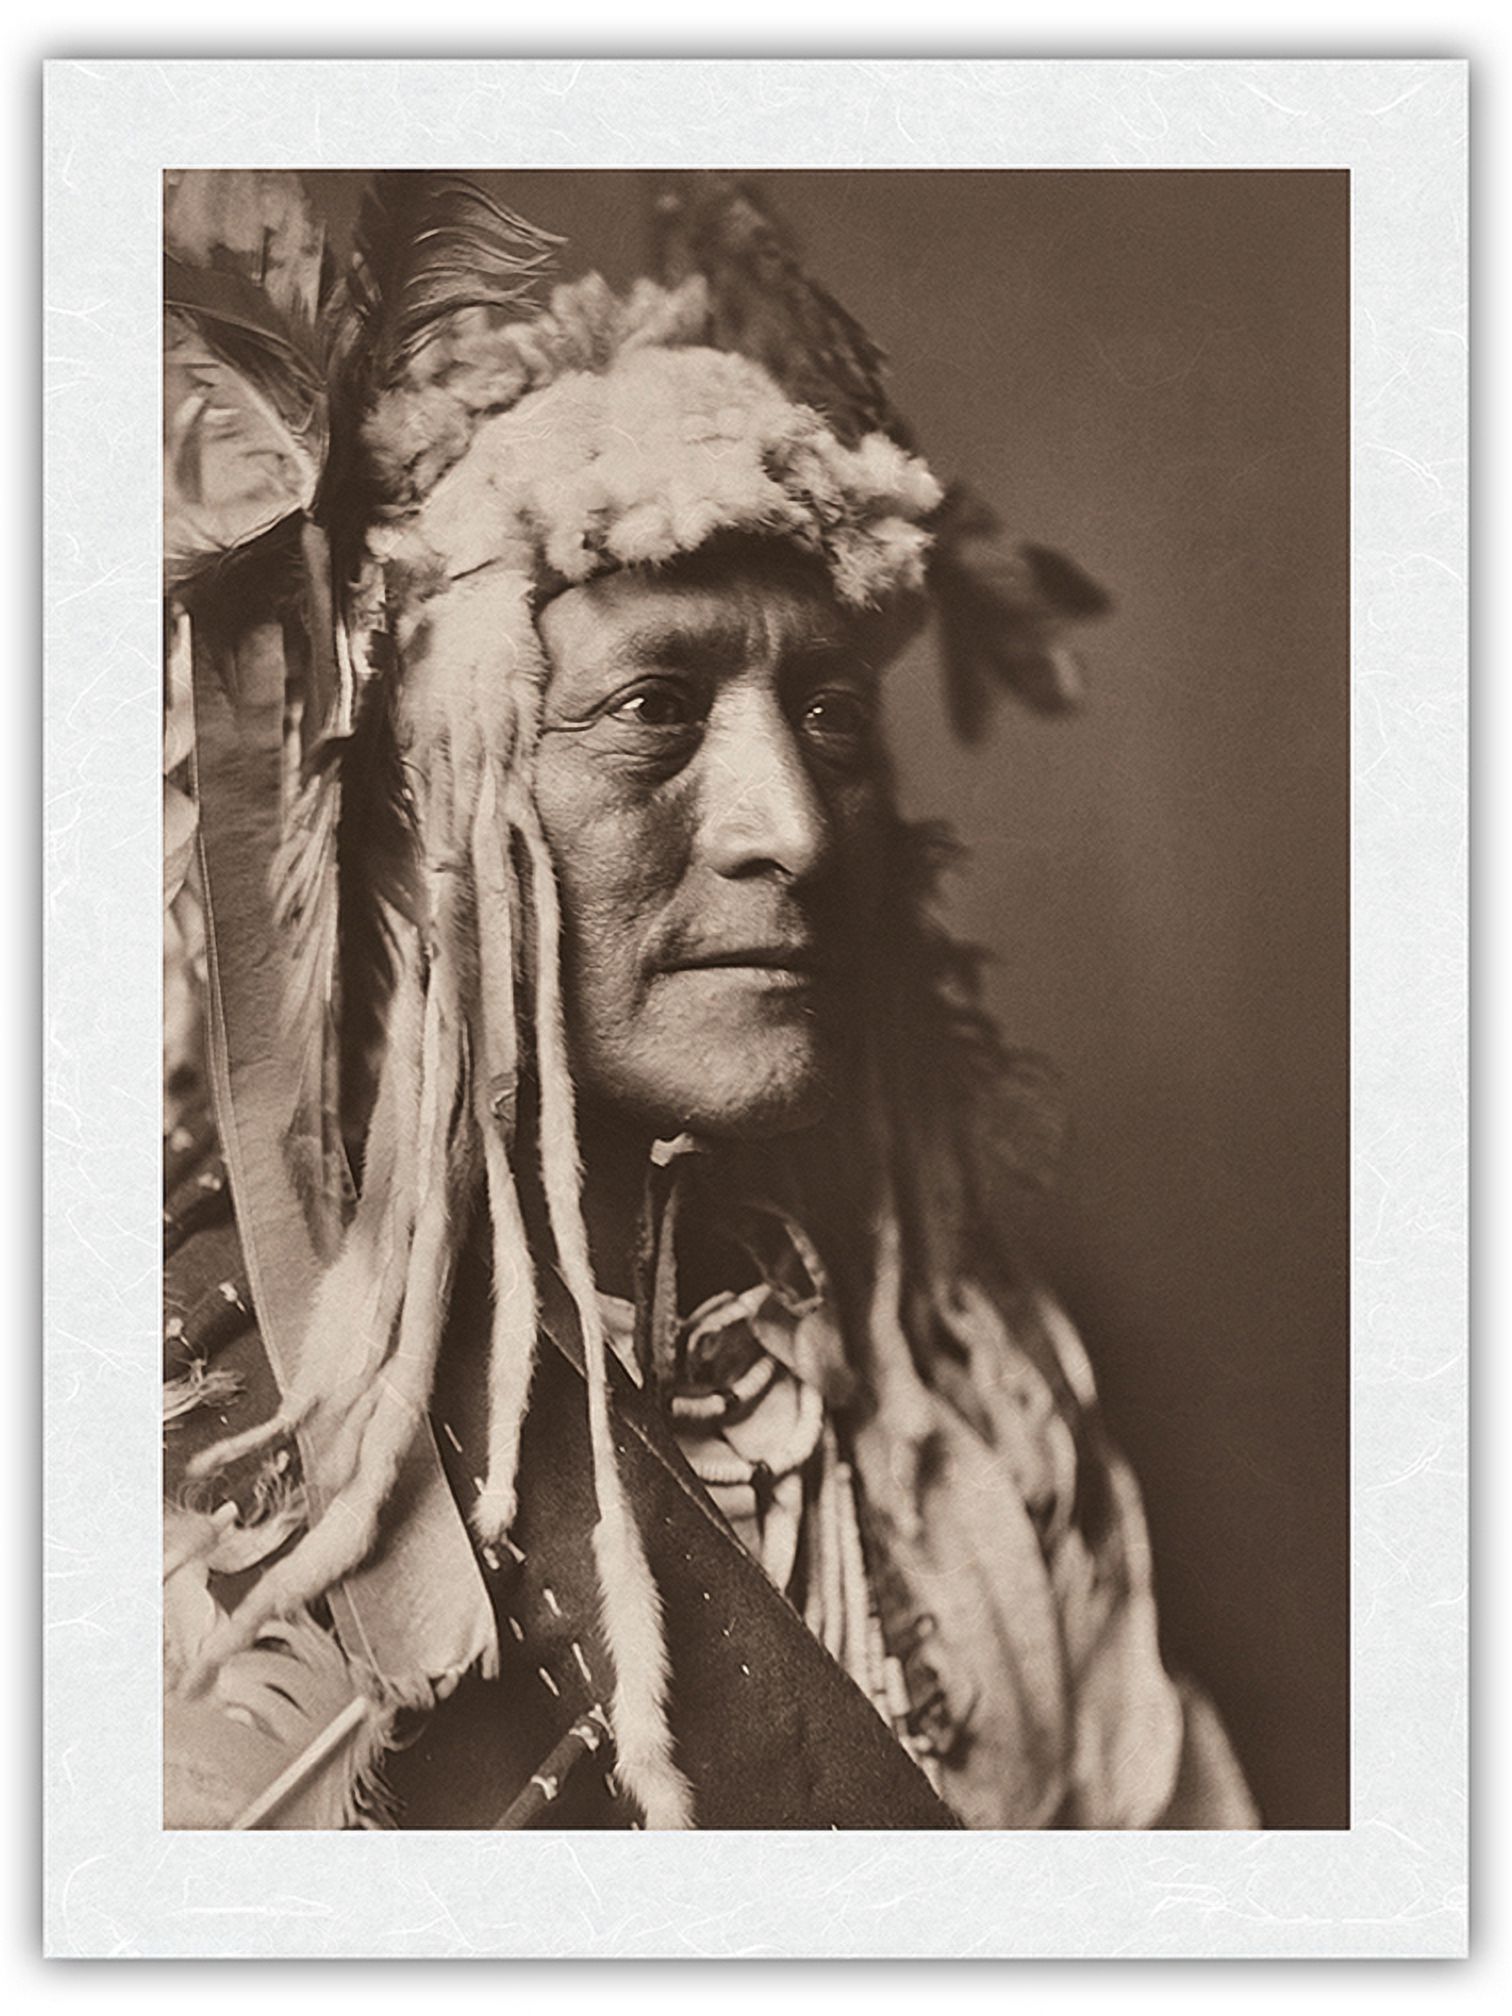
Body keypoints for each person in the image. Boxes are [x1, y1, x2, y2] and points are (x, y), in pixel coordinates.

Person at [162, 169, 1258, 1832]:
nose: (794, 830)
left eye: (823, 715)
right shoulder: (176, 1436)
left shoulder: (958, 1388)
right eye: (655, 708)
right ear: (409, 827)